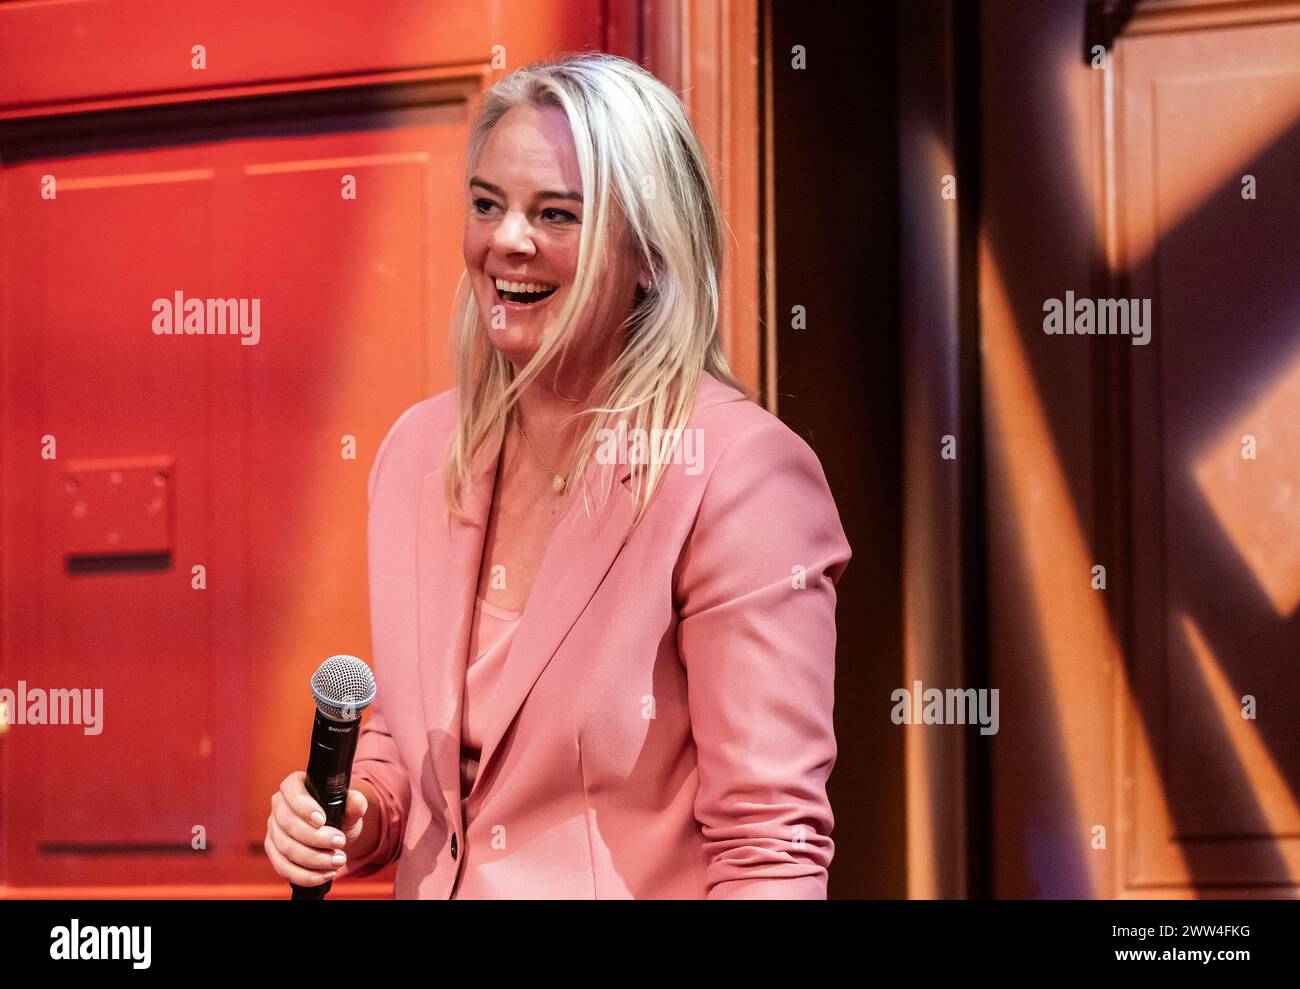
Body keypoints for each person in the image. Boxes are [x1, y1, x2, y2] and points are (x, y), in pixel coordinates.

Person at [265, 51, 851, 899]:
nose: (507, 238)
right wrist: (358, 810)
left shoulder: (739, 474)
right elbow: (414, 729)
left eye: (558, 213)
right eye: (487, 204)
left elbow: (769, 847)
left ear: (651, 253)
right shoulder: (415, 452)